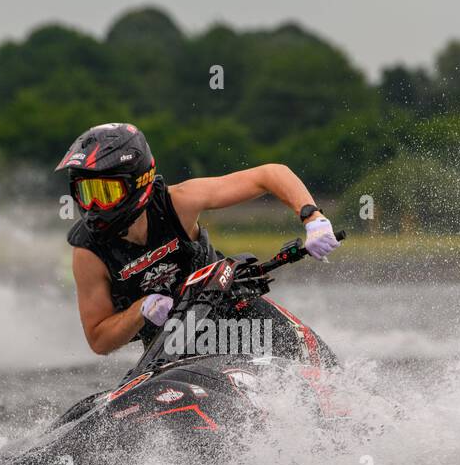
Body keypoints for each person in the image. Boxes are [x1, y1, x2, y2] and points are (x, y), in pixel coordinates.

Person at [57, 123, 339, 358]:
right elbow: (98, 339)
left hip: (240, 316)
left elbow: (269, 175)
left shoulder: (179, 202)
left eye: (105, 194)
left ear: (138, 182)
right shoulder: (88, 252)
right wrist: (139, 311)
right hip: (175, 347)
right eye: (85, 193)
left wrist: (312, 217)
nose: (93, 206)